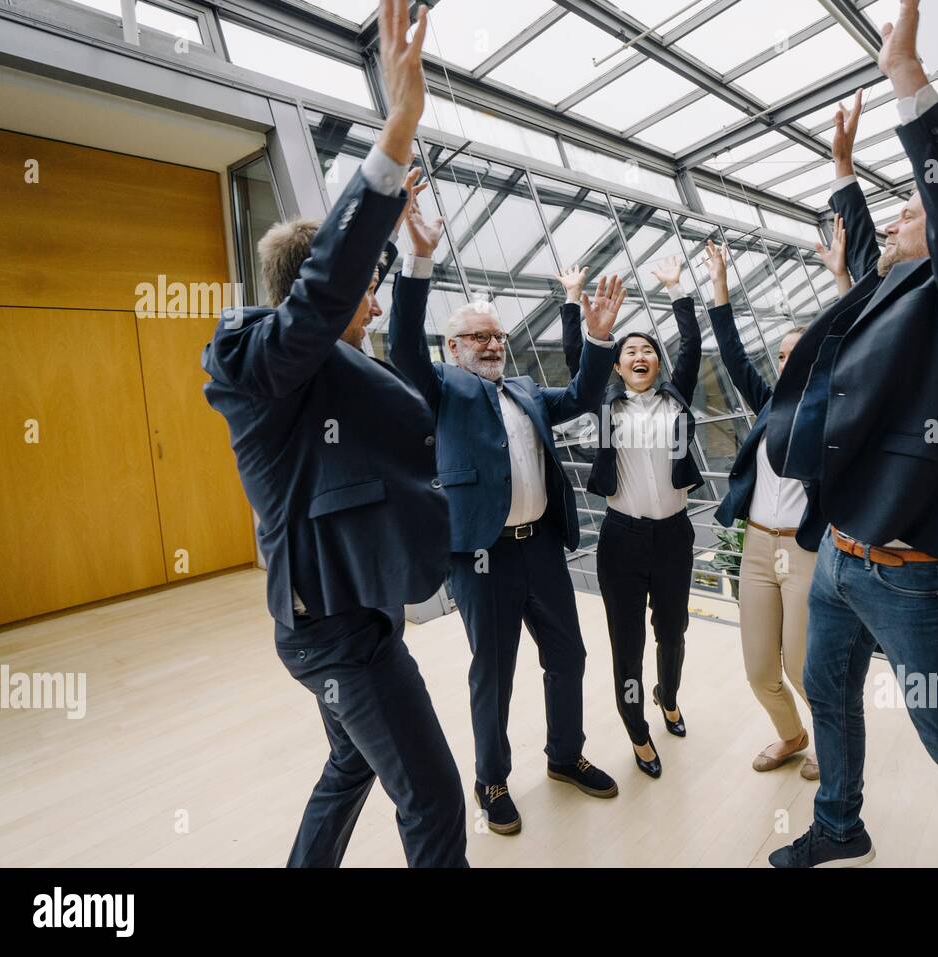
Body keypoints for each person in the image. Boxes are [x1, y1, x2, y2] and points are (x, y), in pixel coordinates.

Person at [765, 0, 938, 868]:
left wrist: (909, 82)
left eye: (909, 213)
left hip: (908, 578)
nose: (895, 221)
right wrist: (845, 174)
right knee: (828, 692)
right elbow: (867, 259)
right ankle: (841, 825)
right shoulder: (898, 288)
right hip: (842, 558)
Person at [201, 2, 467, 868]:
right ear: (318, 292)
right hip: (335, 634)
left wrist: (415, 261)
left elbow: (410, 381)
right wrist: (397, 129)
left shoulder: (340, 369)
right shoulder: (260, 369)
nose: (374, 301)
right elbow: (321, 298)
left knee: (350, 761)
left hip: (349, 617)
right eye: (366, 290)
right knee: (431, 798)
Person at [387, 186, 622, 836]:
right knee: (494, 672)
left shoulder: (523, 388)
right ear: (454, 346)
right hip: (481, 555)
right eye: (477, 335)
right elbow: (404, 347)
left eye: (498, 334)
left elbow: (580, 396)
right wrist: (417, 260)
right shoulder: (442, 388)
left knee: (568, 656)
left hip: (540, 547)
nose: (492, 343)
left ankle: (565, 754)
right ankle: (491, 777)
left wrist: (597, 339)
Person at [706, 90, 875, 782]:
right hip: (757, 546)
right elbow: (731, 352)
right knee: (757, 668)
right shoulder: (768, 402)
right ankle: (793, 737)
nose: (785, 359)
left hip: (806, 550)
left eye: (796, 351)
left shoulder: (832, 403)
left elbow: (857, 332)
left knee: (808, 666)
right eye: (780, 353)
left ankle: (836, 755)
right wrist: (718, 288)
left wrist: (840, 278)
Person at [555, 259, 702, 778]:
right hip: (621, 539)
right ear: (616, 366)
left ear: (657, 363)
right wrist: (573, 298)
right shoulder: (605, 404)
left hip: (675, 536)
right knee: (627, 640)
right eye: (629, 351)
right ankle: (637, 727)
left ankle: (669, 695)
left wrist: (675, 289)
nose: (639, 355)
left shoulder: (675, 397)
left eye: (647, 351)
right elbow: (578, 357)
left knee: (674, 630)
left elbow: (694, 344)